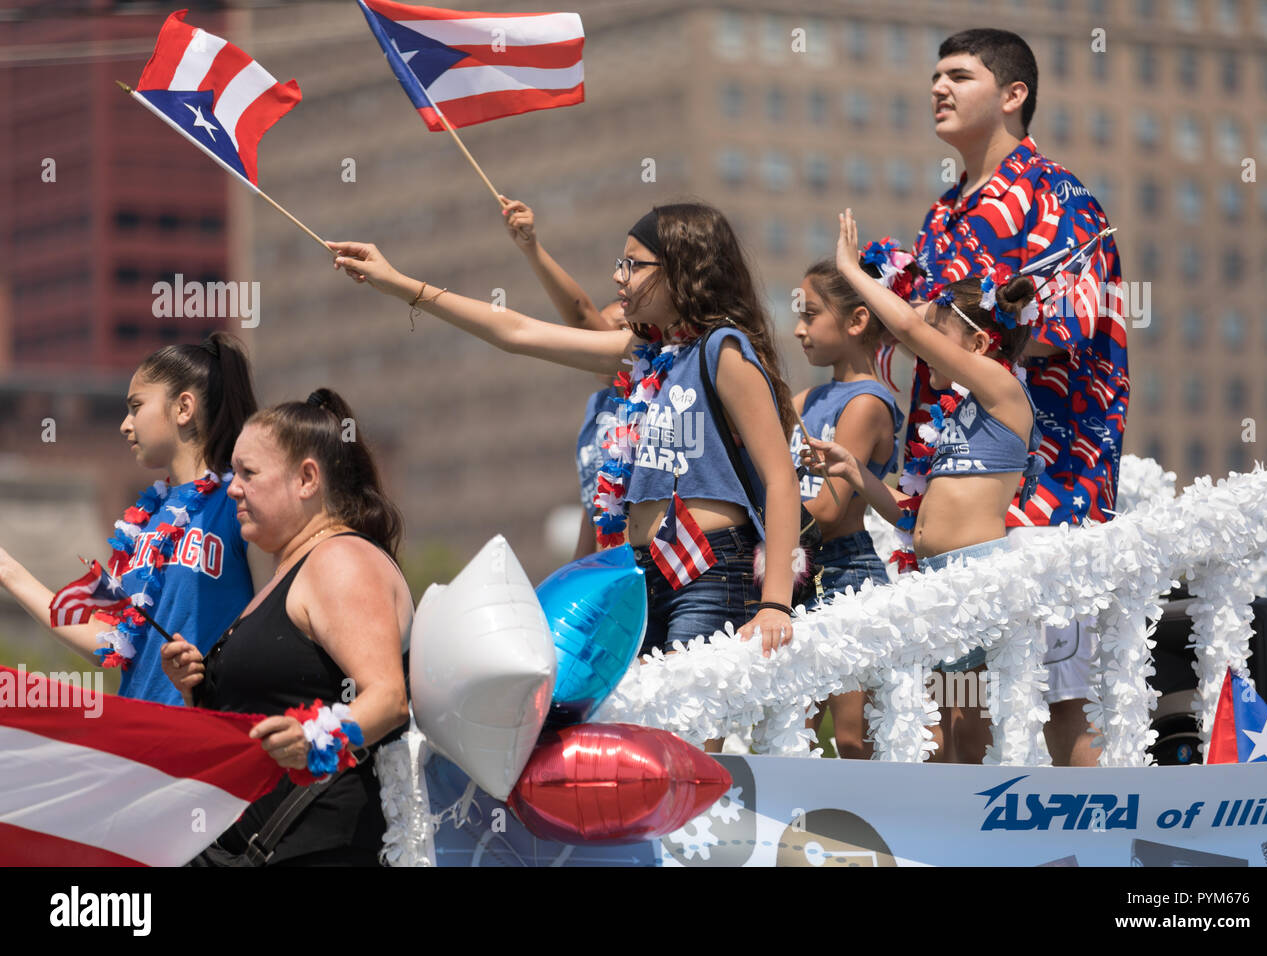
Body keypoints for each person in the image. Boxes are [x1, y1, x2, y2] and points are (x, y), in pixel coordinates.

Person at [326, 202, 801, 670]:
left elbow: (781, 478)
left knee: (685, 732)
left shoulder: (724, 350)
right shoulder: (642, 354)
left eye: (633, 265)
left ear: (682, 270)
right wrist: (398, 284)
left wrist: (775, 603)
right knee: (648, 737)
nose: (619, 277)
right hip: (638, 574)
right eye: (621, 264)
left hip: (708, 571)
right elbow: (514, 331)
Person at [907, 28, 1126, 766]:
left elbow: (1069, 322)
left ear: (1012, 94)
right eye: (935, 75)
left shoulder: (1060, 197)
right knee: (956, 716)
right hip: (955, 498)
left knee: (1061, 705)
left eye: (958, 76)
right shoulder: (942, 217)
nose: (938, 87)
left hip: (1048, 500)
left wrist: (970, 318)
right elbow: (920, 348)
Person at [805, 208, 1044, 764]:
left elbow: (909, 326)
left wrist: (850, 269)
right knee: (936, 733)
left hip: (977, 578)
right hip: (933, 579)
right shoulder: (959, 413)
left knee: (970, 727)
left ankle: (978, 840)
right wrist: (853, 471)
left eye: (941, 338)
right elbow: (912, 518)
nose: (924, 350)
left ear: (978, 345)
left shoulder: (1002, 390)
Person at [163, 389, 411, 866]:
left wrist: (314, 740)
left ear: (306, 479)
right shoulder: (287, 572)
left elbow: (388, 698)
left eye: (248, 474)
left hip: (319, 849)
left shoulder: (340, 560)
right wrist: (196, 685)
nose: (231, 487)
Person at [0, 334, 257, 704]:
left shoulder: (241, 500)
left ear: (184, 408)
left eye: (136, 406)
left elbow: (275, 613)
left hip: (212, 733)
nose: (125, 424)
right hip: (146, 738)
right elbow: (111, 642)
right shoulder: (143, 522)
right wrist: (9, 572)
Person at [792, 258, 903, 759]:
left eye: (811, 314)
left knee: (854, 737)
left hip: (844, 576)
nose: (798, 329)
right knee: (794, 732)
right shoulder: (804, 399)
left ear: (857, 320)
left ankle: (882, 834)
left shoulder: (866, 403)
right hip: (794, 574)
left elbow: (829, 510)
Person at [499, 195, 624, 559]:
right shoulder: (598, 408)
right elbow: (594, 504)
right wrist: (576, 578)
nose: (596, 341)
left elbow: (581, 312)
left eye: (614, 330)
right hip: (604, 573)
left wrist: (532, 248)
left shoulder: (654, 394)